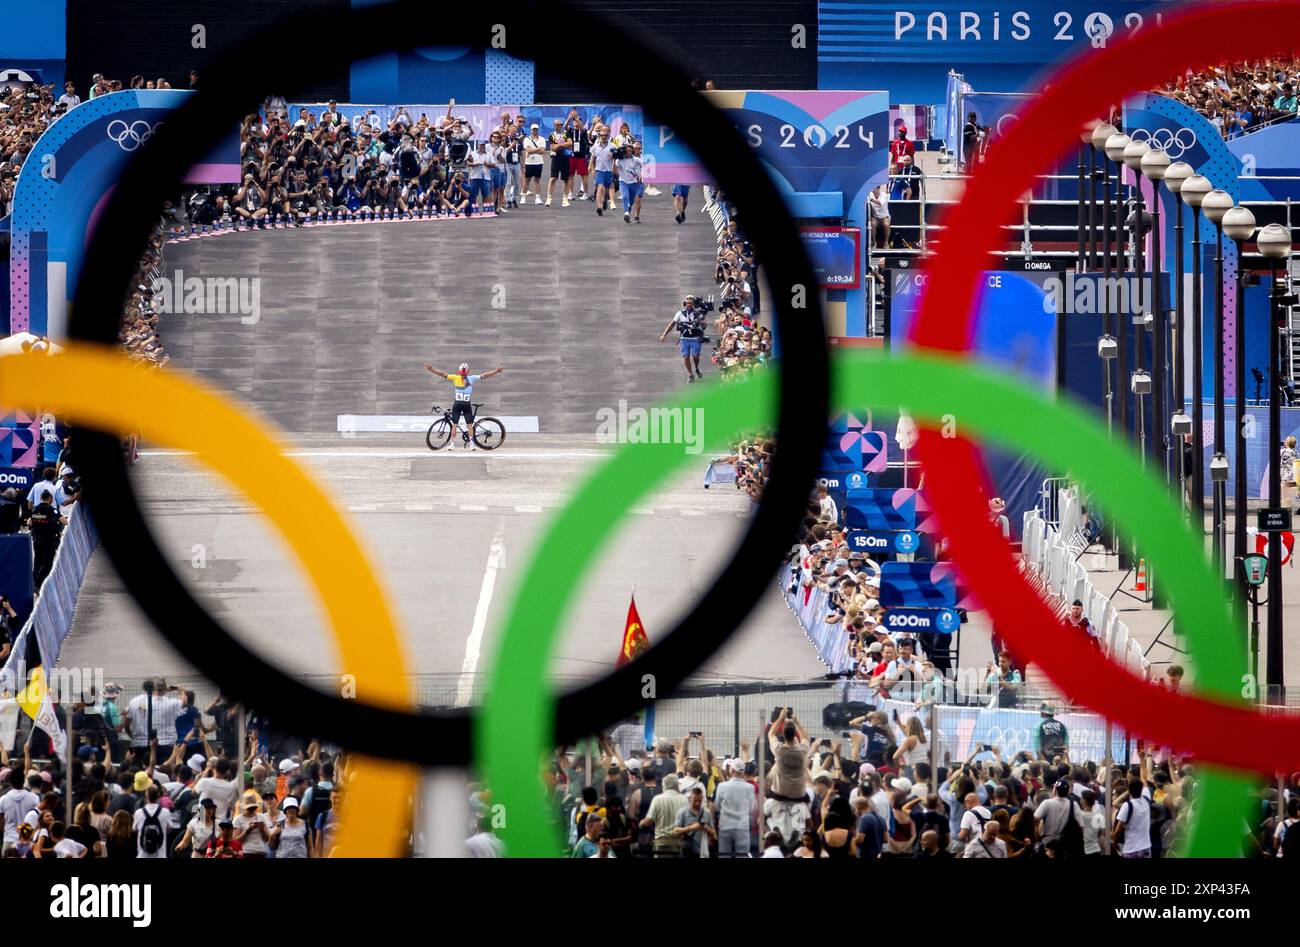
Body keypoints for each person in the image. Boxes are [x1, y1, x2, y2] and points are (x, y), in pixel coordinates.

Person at [423, 361, 506, 448]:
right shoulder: (471, 378)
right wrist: (496, 371)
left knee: (455, 425)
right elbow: (484, 375)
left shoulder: (455, 378)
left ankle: (452, 445)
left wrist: (431, 369)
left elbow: (443, 374)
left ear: (459, 371)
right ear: (468, 372)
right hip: (466, 405)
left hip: (457, 405)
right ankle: (472, 445)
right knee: (469, 425)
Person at [712, 758, 756, 857]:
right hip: (742, 827)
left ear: (731, 770)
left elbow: (717, 807)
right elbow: (751, 808)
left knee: (724, 855)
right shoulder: (750, 788)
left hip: (725, 826)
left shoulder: (722, 786)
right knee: (742, 855)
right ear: (743, 771)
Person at [659, 296, 706, 383]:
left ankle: (696, 368)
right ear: (685, 303)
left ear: (693, 304)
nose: (689, 305)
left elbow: (704, 326)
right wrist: (664, 334)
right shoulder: (680, 313)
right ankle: (690, 374)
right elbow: (672, 324)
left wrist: (702, 323)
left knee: (696, 355)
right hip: (684, 339)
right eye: (687, 303)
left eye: (691, 303)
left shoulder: (698, 314)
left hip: (695, 338)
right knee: (686, 356)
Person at [1114, 778, 1152, 858]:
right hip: (1146, 847)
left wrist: (1114, 843)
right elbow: (1144, 780)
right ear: (1141, 790)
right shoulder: (1146, 801)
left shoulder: (1127, 806)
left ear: (1129, 791)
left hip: (1131, 849)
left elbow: (1117, 831)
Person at [617, 140, 645, 223]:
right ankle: (626, 213)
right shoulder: (620, 160)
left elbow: (645, 166)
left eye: (630, 151)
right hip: (624, 182)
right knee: (625, 196)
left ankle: (636, 215)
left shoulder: (636, 159)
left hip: (636, 183)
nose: (628, 152)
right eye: (627, 151)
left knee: (634, 199)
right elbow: (616, 166)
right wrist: (617, 156)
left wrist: (642, 175)